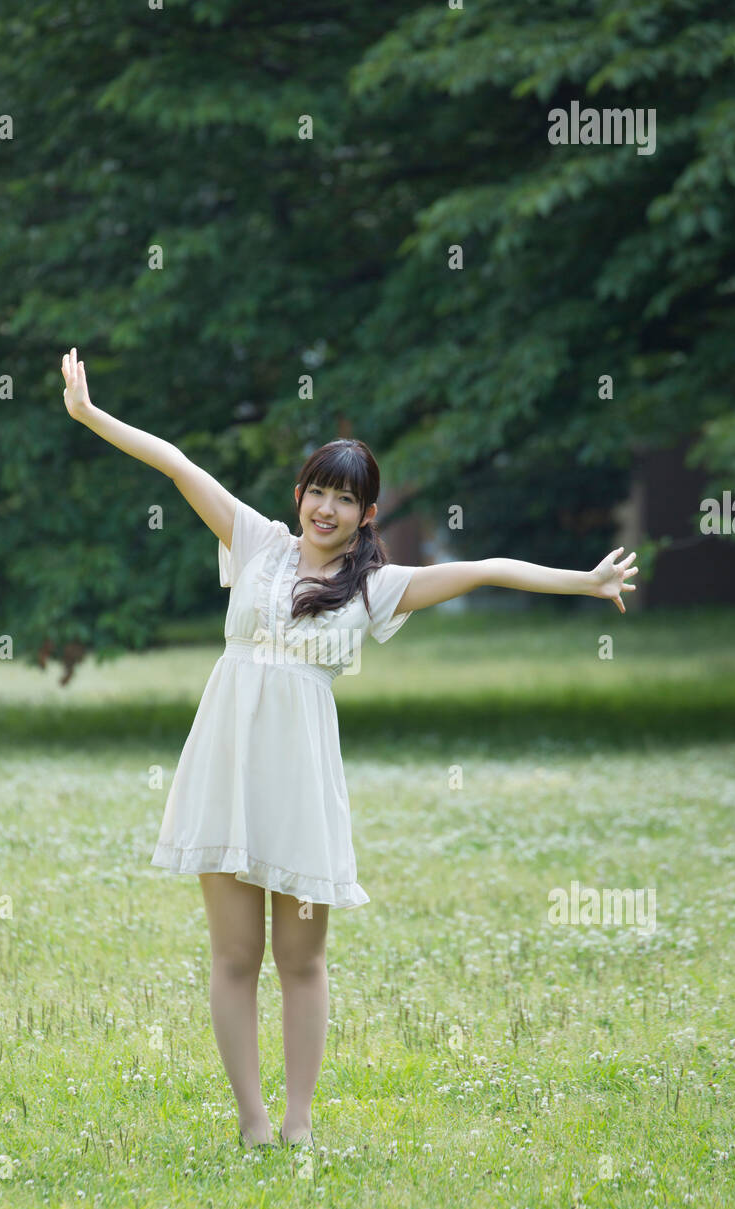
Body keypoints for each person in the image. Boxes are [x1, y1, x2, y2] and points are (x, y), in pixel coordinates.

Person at [61, 347, 637, 1151]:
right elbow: (174, 461)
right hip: (224, 771)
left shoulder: (377, 586)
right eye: (319, 492)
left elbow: (481, 569)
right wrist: (89, 414)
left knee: (301, 958)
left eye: (346, 499)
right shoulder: (255, 541)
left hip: (298, 783)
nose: (327, 508)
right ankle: (254, 1124)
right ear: (299, 496)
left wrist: (582, 581)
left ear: (368, 514)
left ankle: (299, 1125)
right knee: (234, 954)